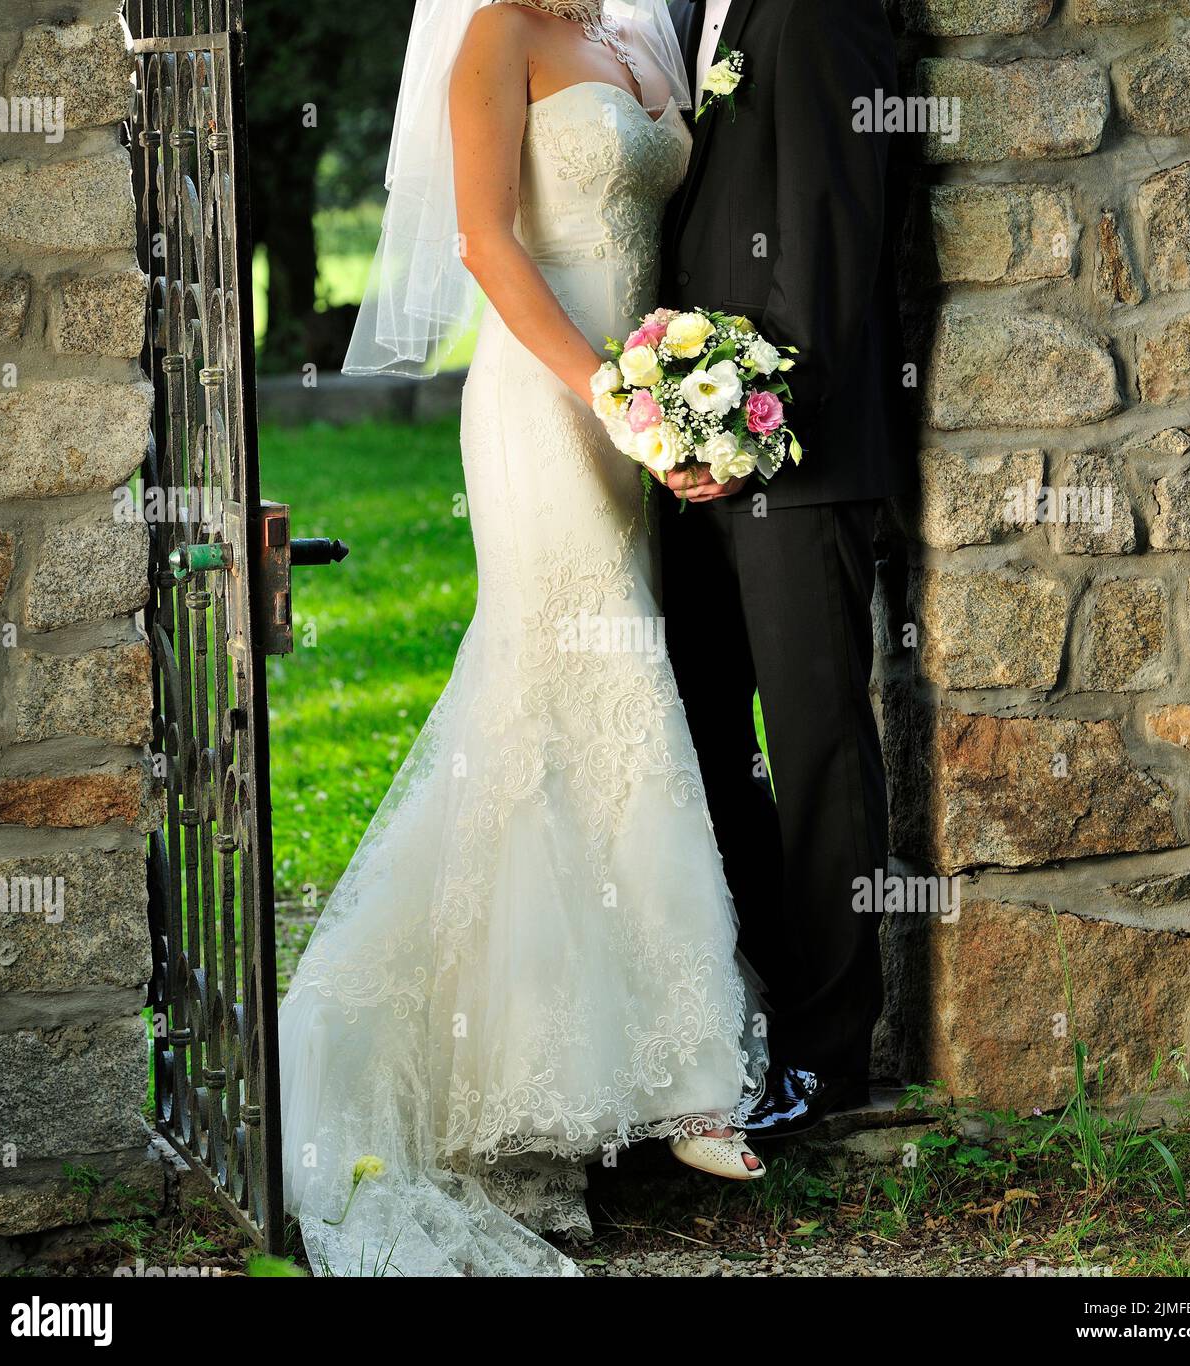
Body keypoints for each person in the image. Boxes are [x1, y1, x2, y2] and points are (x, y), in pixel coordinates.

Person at [278, 0, 768, 1279]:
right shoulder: (494, 33)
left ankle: (627, 1064)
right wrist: (610, 393)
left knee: (601, 696)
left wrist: (675, 391)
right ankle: (626, 1088)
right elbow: (489, 246)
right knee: (575, 686)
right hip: (545, 402)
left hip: (635, 403)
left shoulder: (631, 45)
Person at [658, 0, 916, 1136]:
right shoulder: (697, 12)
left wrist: (757, 426)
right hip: (697, 451)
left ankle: (828, 1058)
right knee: (702, 737)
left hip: (789, 458)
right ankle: (772, 1005)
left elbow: (829, 228)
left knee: (814, 753)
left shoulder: (816, 11)